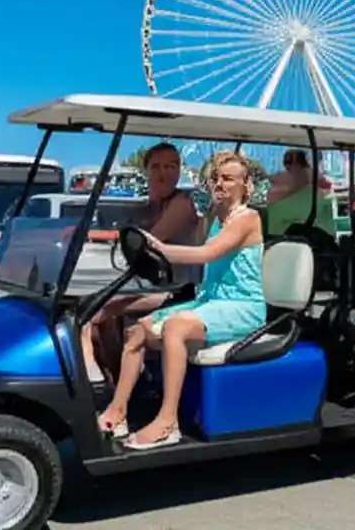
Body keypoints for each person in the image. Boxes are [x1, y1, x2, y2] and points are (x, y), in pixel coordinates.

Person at [97, 150, 266, 450]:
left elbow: (207, 254)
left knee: (176, 327)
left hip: (242, 307)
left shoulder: (248, 218)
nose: (221, 184)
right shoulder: (217, 218)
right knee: (138, 329)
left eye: (228, 179)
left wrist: (159, 248)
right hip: (211, 301)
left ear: (246, 186)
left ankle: (167, 423)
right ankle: (117, 410)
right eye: (216, 178)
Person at [81, 142, 200, 384]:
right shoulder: (148, 205)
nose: (163, 173)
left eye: (171, 166)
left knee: (90, 314)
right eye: (156, 166)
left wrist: (99, 235)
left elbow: (150, 240)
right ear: (146, 171)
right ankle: (116, 380)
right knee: (96, 313)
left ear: (179, 170)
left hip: (180, 288)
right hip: (153, 285)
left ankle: (94, 384)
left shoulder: (182, 203)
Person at [264, 148, 337, 236]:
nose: (286, 166)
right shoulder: (318, 188)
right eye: (286, 162)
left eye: (288, 162)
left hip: (285, 238)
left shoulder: (287, 184)